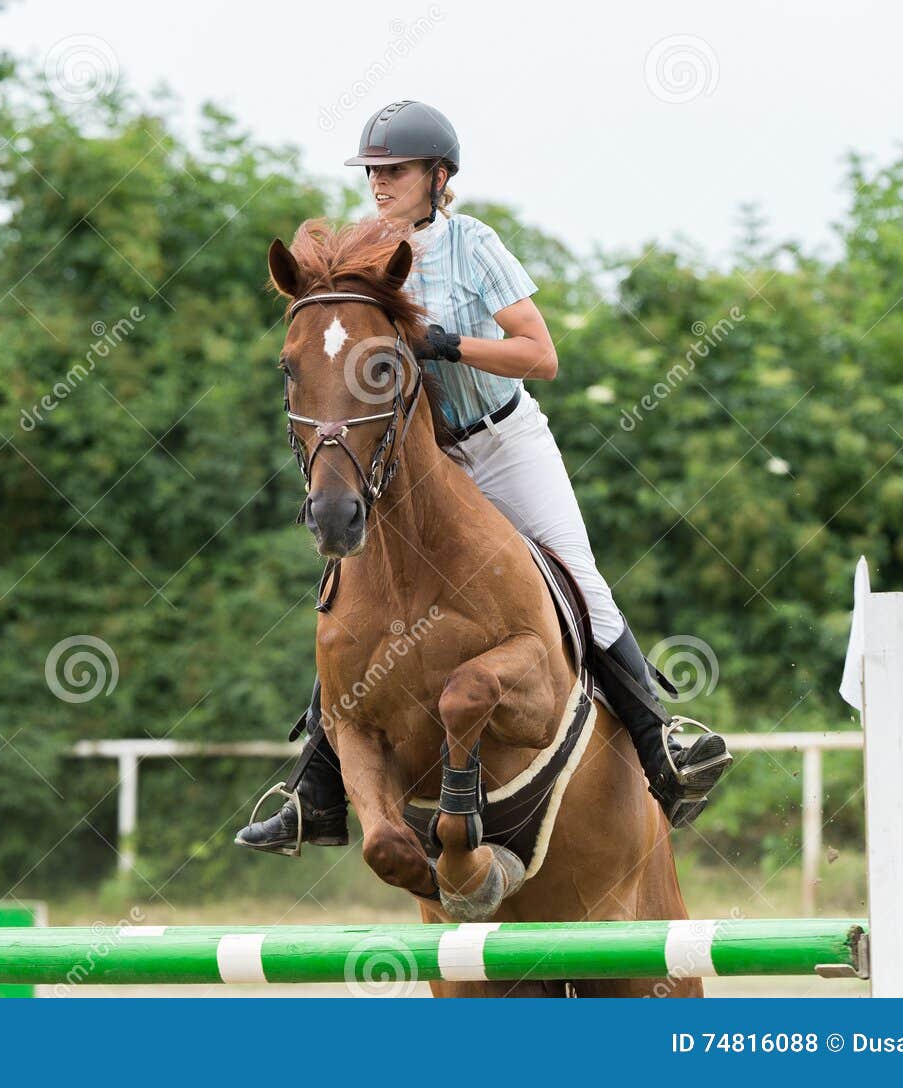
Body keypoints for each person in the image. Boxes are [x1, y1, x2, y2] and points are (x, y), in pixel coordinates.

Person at [236, 100, 732, 855]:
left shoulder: (474, 245)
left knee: (579, 573)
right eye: (373, 171)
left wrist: (448, 344)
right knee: (349, 602)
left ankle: (661, 748)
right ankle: (316, 788)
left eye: (395, 170)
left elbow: (541, 355)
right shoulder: (366, 254)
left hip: (502, 442)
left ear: (439, 177)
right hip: (412, 460)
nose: (380, 184)